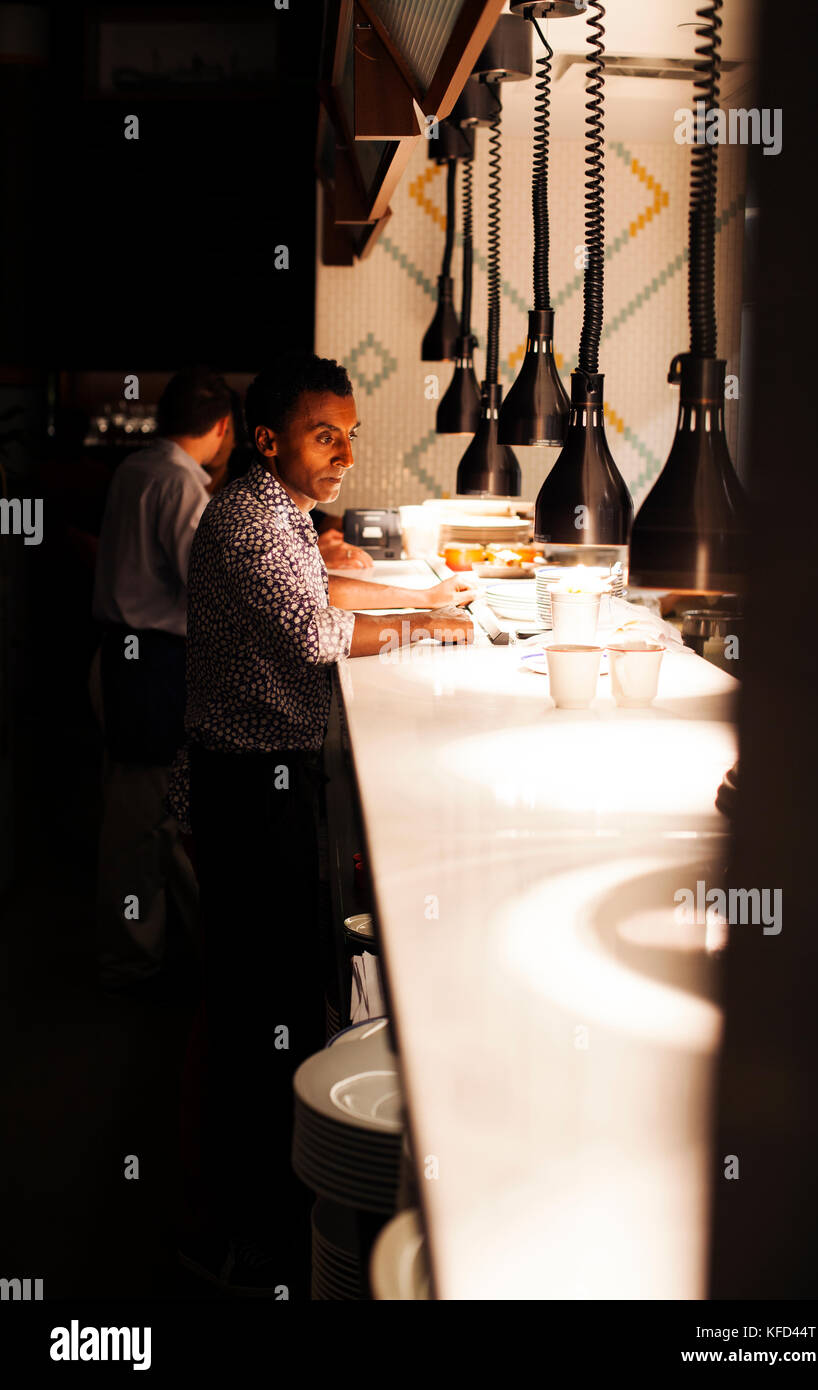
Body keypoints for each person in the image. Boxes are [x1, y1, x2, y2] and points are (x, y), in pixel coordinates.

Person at [175, 352, 474, 1295]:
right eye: (323, 435)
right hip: (246, 784)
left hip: (267, 776)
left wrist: (419, 597)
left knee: (277, 987)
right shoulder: (253, 521)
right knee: (262, 997)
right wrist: (435, 629)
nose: (344, 452)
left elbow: (327, 595)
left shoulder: (276, 511)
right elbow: (317, 635)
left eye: (350, 434)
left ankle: (258, 1196)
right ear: (269, 441)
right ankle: (246, 1227)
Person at [92, 366, 233, 992]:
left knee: (150, 811)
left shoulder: (138, 468)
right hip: (150, 662)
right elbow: (206, 584)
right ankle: (133, 961)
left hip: (126, 656)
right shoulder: (178, 483)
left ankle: (166, 951)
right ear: (224, 428)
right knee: (145, 815)